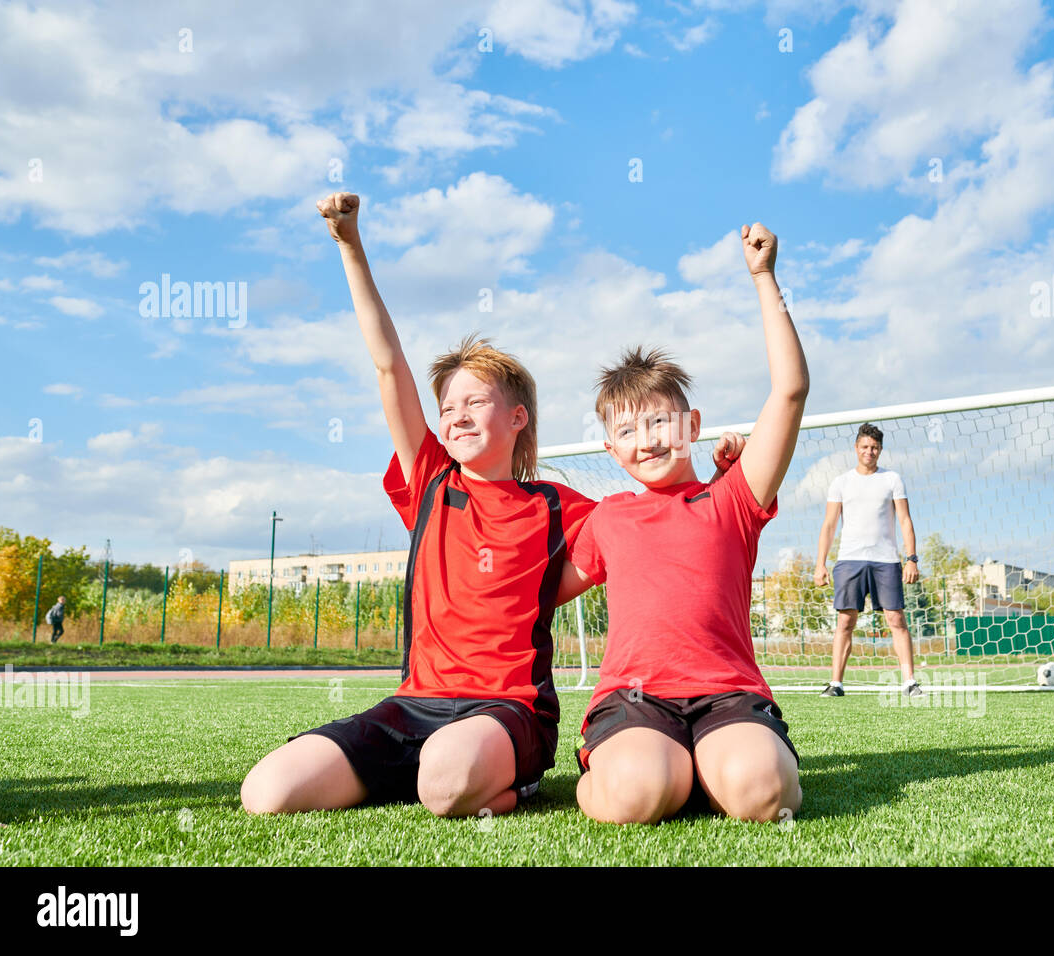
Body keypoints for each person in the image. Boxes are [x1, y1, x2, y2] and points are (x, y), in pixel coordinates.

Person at [242, 192, 741, 818]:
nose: (456, 417)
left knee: (446, 780)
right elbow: (387, 366)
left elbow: (661, 524)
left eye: (474, 402)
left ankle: (490, 781)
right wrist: (350, 245)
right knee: (267, 793)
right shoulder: (430, 483)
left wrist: (718, 479)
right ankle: (431, 775)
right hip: (415, 701)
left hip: (508, 708)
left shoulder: (562, 507)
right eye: (447, 407)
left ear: (516, 416)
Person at [557, 222, 805, 825]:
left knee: (763, 794)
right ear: (611, 451)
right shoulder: (608, 517)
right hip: (635, 701)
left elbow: (791, 391)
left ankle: (707, 767)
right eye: (626, 431)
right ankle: (643, 770)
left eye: (659, 422)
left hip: (729, 695)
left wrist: (763, 278)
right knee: (634, 797)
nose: (645, 440)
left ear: (692, 424)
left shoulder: (735, 498)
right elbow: (536, 596)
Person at [813, 423, 922, 698]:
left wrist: (911, 559)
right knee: (845, 623)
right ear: (856, 448)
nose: (869, 452)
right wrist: (820, 563)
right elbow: (828, 525)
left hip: (886, 561)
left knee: (896, 619)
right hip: (850, 560)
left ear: (880, 450)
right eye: (864, 447)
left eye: (874, 448)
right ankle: (836, 683)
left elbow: (905, 520)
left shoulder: (892, 479)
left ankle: (909, 682)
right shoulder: (841, 482)